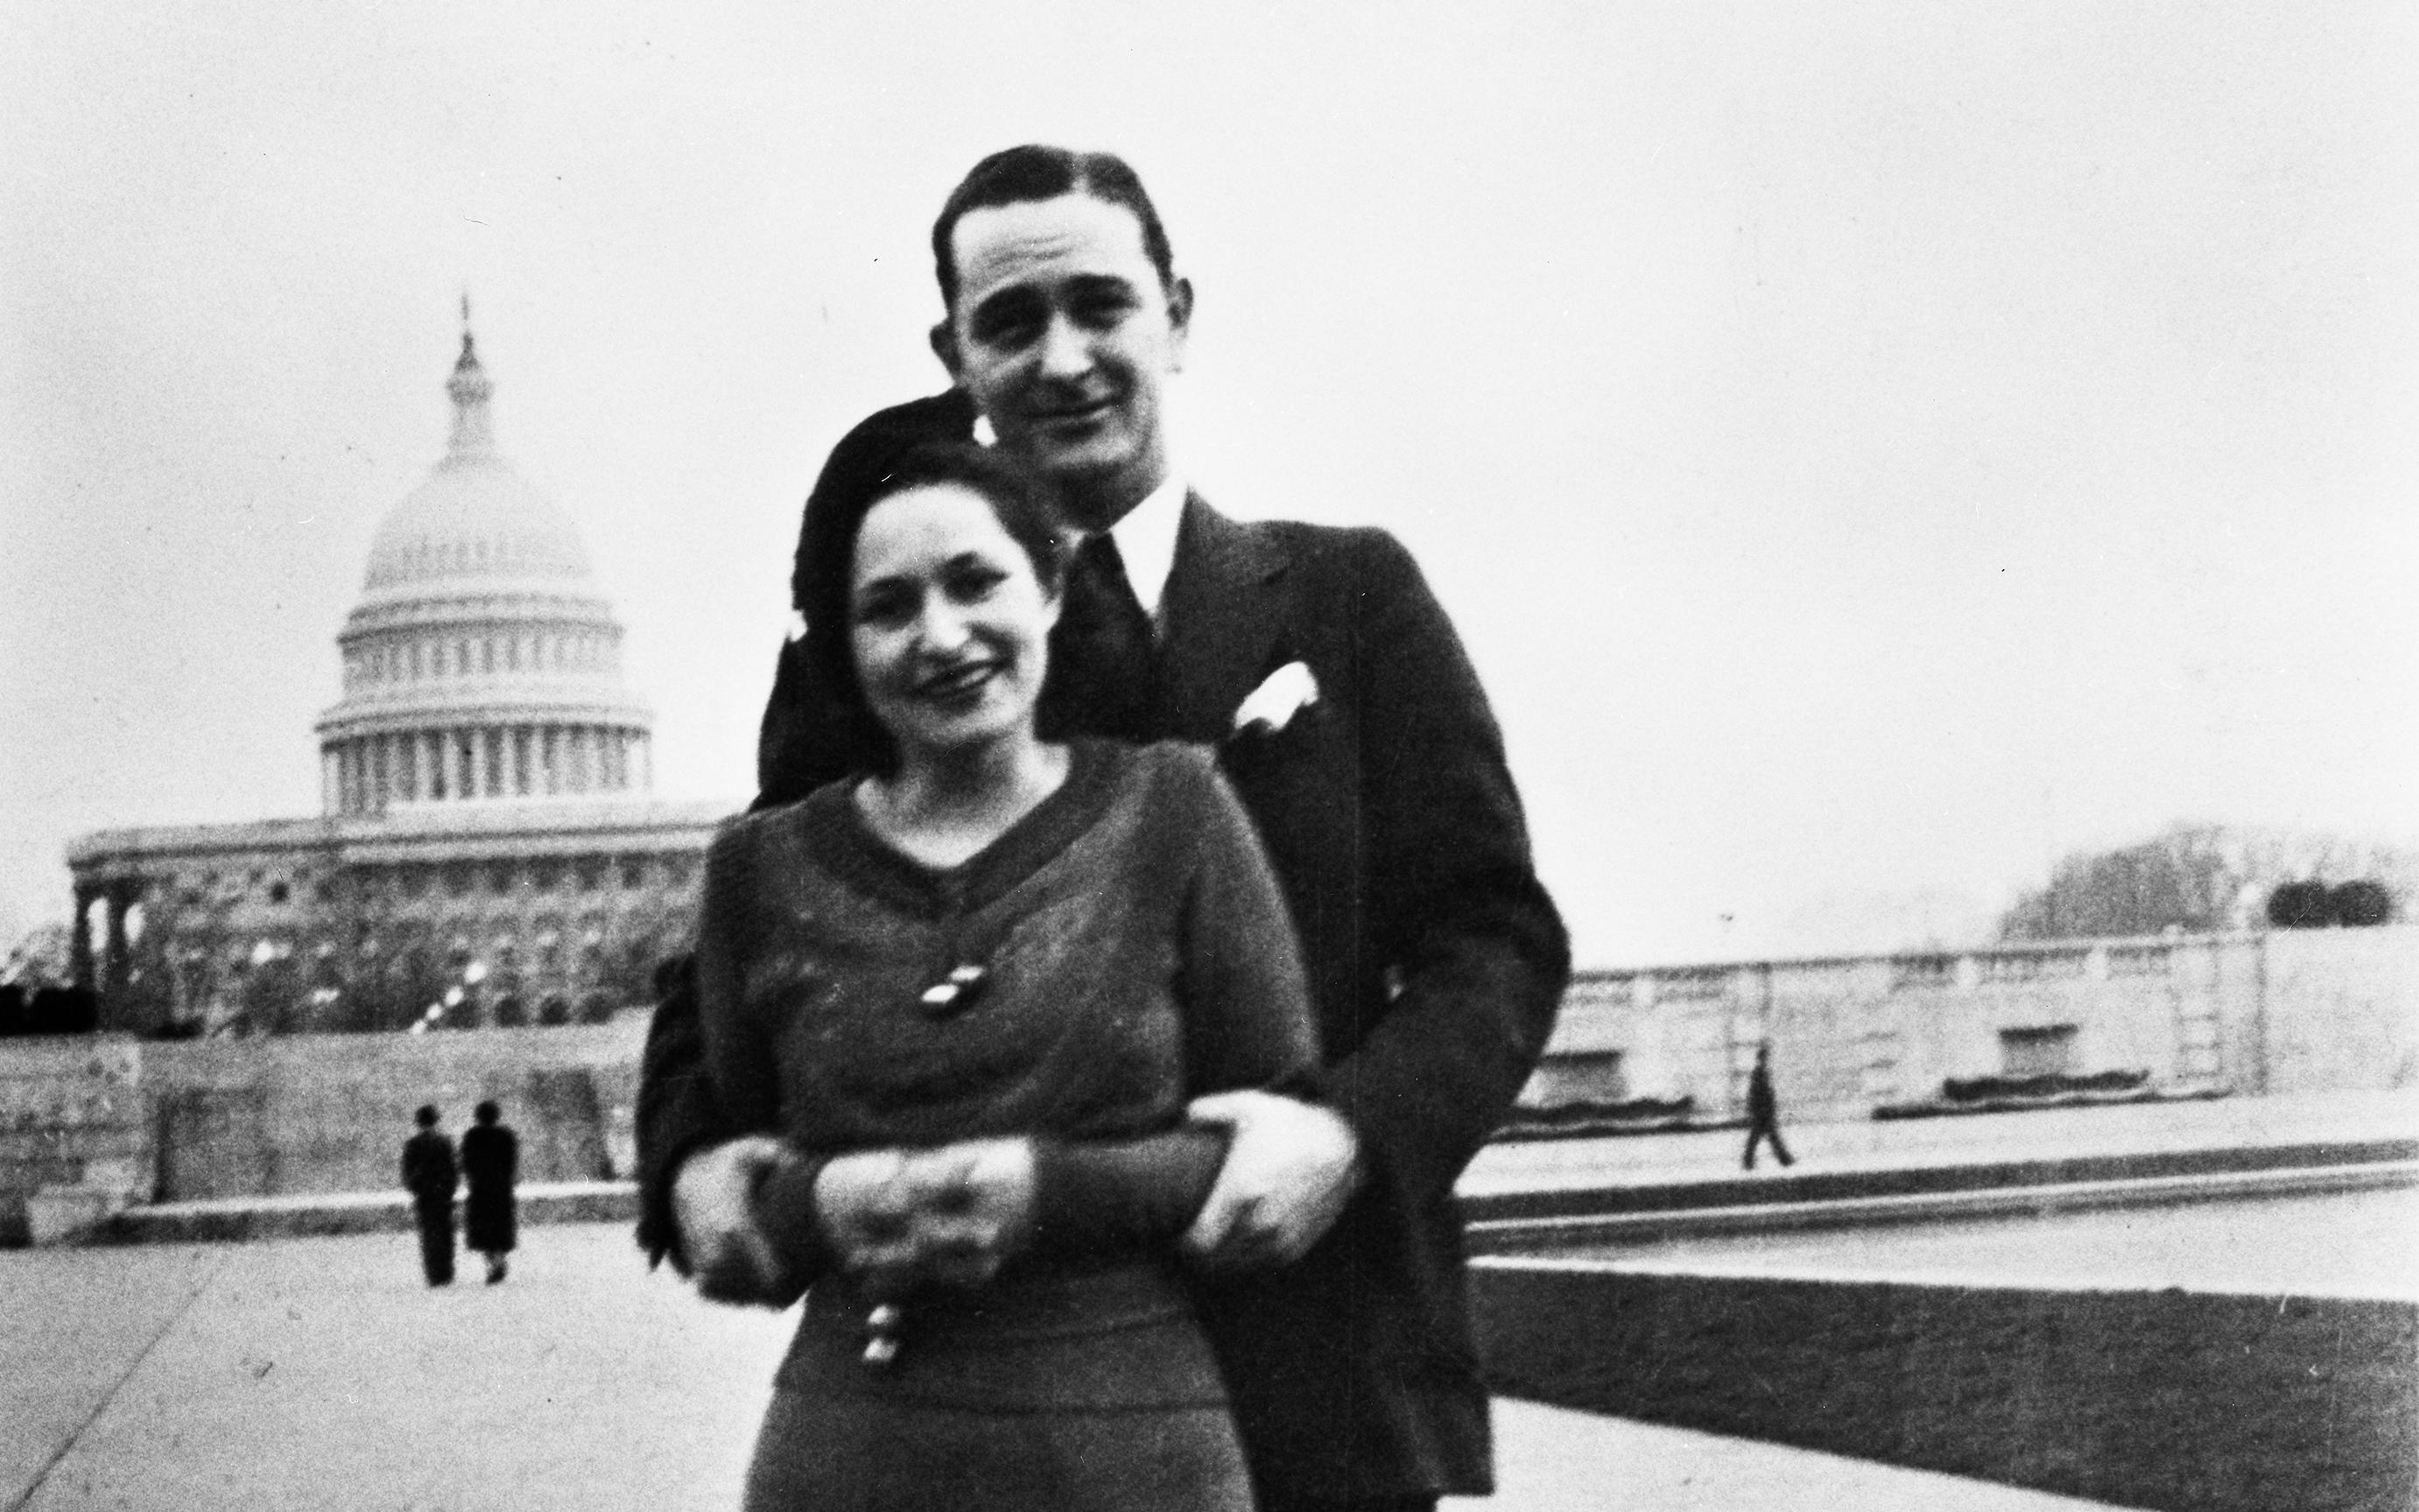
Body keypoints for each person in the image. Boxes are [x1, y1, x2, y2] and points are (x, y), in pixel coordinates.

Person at [641, 145, 1570, 1512]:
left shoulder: (1348, 596)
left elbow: (1491, 940)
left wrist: (1348, 1138)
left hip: (1319, 1370)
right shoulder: (899, 647)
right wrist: (685, 1160)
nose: (1061, 357)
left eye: (1100, 305)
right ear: (952, 352)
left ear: (1176, 315)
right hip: (999, 1406)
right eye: (1009, 322)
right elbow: (756, 914)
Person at [694, 435, 1321, 1510]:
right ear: (842, 643)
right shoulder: (758, 870)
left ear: (1052, 588)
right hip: (850, 1453)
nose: (940, 635)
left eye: (975, 581)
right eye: (887, 607)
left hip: (1133, 1451)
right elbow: (735, 1165)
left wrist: (1046, 1191)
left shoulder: (1176, 808)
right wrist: (818, 1201)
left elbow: (1269, 1137)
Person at [461, 1099, 519, 1283]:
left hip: (480, 1190)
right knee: (500, 1227)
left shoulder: (471, 1136)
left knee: (484, 1230)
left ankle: (491, 1264)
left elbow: (466, 1162)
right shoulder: (506, 1135)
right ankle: (500, 1259)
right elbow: (512, 1162)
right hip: (501, 1189)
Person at [401, 1104, 458, 1287]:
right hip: (443, 1195)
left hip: (424, 1196)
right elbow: (453, 1169)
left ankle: (433, 1273)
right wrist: (449, 1188)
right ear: (436, 1120)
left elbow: (407, 1172)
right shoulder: (445, 1142)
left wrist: (415, 1188)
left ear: (418, 1122)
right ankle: (446, 1271)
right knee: (445, 1232)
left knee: (428, 1234)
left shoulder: (412, 1144)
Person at [1742, 1043, 1794, 1171]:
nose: (1767, 1060)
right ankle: (1784, 1159)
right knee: (1766, 1136)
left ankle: (1783, 1159)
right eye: (1765, 1058)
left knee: (1765, 1137)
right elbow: (1758, 1093)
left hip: (1762, 1110)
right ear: (1761, 1058)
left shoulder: (1761, 1072)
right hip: (1762, 1111)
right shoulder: (1759, 1073)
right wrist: (1763, 1108)